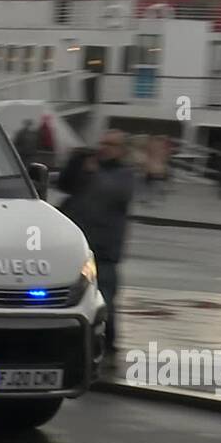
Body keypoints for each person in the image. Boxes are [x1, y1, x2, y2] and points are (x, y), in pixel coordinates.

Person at [58, 129, 133, 360]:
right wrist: (75, 160)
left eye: (111, 144)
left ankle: (107, 347)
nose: (105, 148)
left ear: (121, 150)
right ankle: (77, 342)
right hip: (80, 248)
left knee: (105, 299)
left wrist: (92, 171)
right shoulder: (89, 169)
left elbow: (114, 193)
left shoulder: (124, 174)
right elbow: (65, 184)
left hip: (105, 249)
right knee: (74, 296)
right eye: (103, 143)